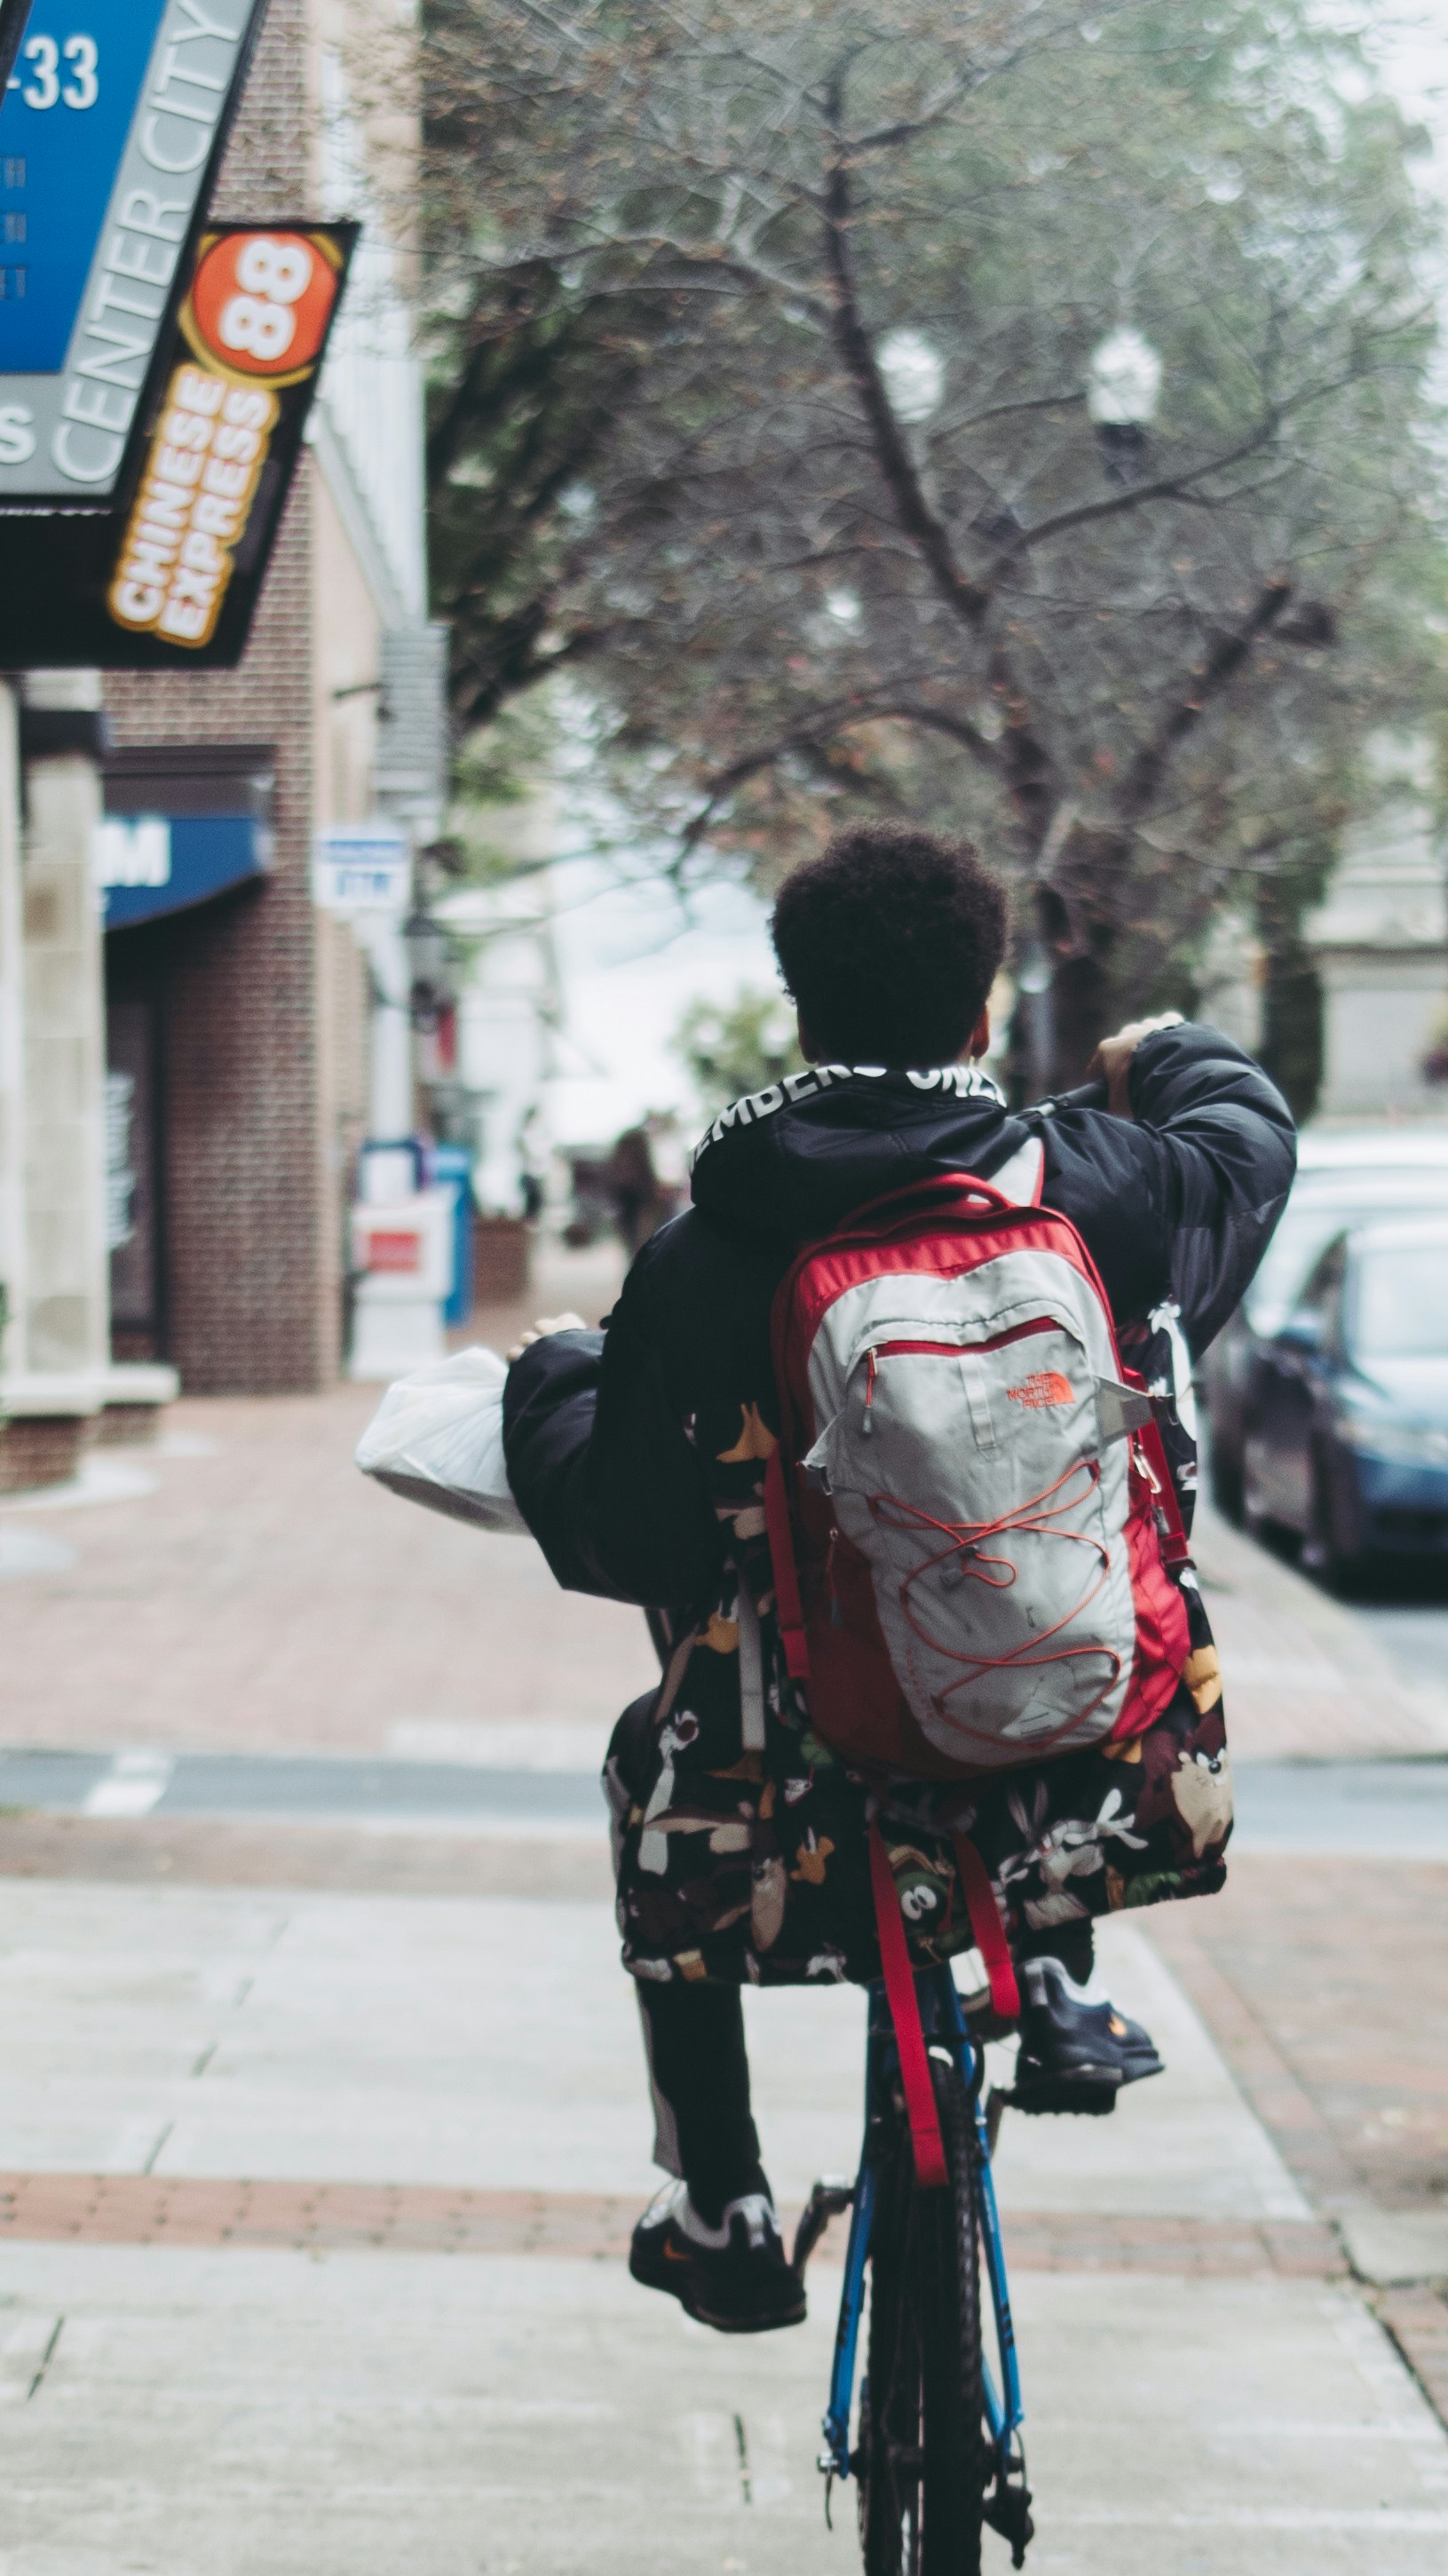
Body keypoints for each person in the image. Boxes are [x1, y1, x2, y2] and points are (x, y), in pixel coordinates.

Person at [503, 825, 1297, 2333]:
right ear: (984, 1012)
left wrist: (549, 1395)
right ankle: (1051, 1981)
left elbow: (637, 1537)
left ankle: (720, 2201)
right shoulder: (1098, 1184)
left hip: (774, 1789)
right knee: (1030, 1588)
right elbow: (1249, 1154)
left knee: (643, 1755)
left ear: (796, 1010)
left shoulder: (704, 1250)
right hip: (1107, 1755)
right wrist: (1164, 1050)